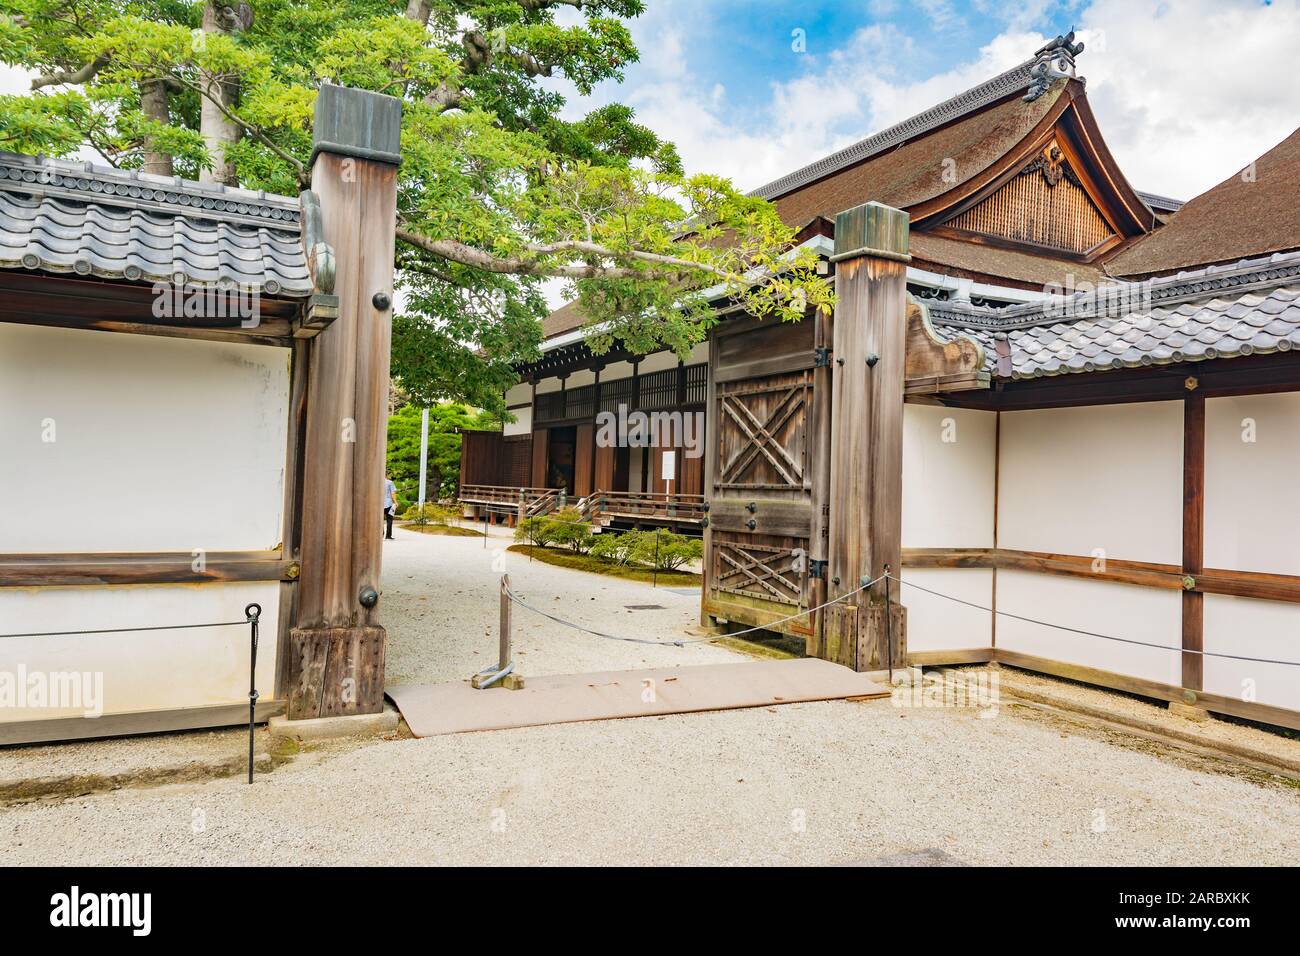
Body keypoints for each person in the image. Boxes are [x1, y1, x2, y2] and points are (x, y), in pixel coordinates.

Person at [383, 473, 397, 540]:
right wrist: (395, 502)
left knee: (380, 520)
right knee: (389, 520)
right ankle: (388, 536)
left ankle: (380, 534)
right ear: (386, 475)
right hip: (388, 504)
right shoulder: (390, 482)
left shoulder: (377, 483)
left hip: (379, 504)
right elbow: (393, 493)